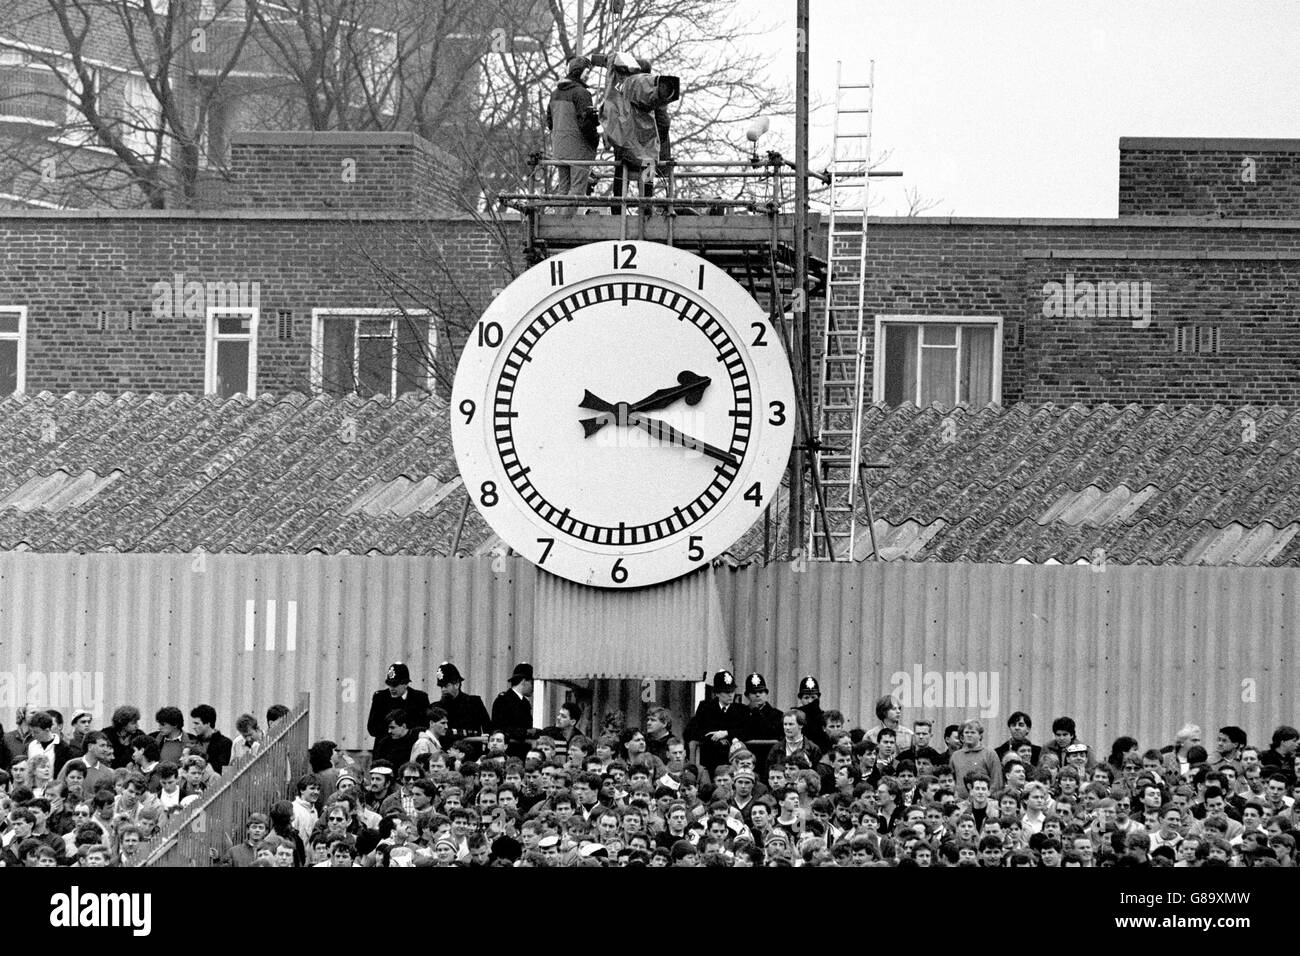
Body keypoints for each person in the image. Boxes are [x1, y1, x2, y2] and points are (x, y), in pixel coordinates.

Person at [599, 51, 679, 212]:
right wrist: (653, 141)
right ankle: (644, 209)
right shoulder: (643, 90)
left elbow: (662, 123)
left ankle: (619, 211)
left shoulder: (634, 87)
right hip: (647, 148)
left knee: (622, 179)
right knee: (645, 181)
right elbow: (663, 123)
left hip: (631, 145)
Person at [547, 55, 599, 217]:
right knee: (577, 188)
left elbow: (550, 122)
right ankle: (566, 222)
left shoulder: (555, 93)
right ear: (582, 73)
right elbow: (586, 123)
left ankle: (557, 221)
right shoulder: (582, 94)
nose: (589, 75)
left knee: (563, 187)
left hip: (560, 149)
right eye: (588, 72)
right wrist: (595, 141)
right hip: (579, 149)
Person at [684, 670, 746, 781]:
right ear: (717, 693)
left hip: (731, 761)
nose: (730, 695)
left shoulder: (741, 710)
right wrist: (711, 736)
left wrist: (727, 733)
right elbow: (690, 731)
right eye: (726, 692)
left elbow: (747, 730)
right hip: (710, 759)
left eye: (732, 691)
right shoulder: (706, 708)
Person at [367, 662, 431, 753]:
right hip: (386, 750)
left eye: (395, 684)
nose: (391, 688)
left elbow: (425, 726)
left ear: (405, 684)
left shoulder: (420, 698)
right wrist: (394, 730)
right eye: (389, 684)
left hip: (410, 750)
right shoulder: (380, 698)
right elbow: (372, 728)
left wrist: (406, 732)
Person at [435, 662, 490, 747]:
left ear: (457, 684)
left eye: (446, 686)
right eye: (441, 686)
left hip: (473, 754)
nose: (443, 690)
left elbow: (488, 729)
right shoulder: (437, 707)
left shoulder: (474, 703)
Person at [491, 662, 536, 759]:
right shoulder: (503, 701)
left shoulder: (525, 702)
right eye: (532, 683)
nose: (533, 687)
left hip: (522, 752)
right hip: (509, 752)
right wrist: (526, 732)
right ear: (524, 681)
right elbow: (500, 728)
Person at [189, 705, 233, 774]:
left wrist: (204, 764)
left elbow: (221, 768)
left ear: (208, 723)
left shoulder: (225, 743)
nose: (193, 727)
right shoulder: (193, 741)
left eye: (197, 724)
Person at [793, 676, 830, 752]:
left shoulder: (824, 716)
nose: (810, 701)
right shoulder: (794, 717)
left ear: (818, 698)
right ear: (800, 699)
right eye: (806, 698)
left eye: (813, 697)